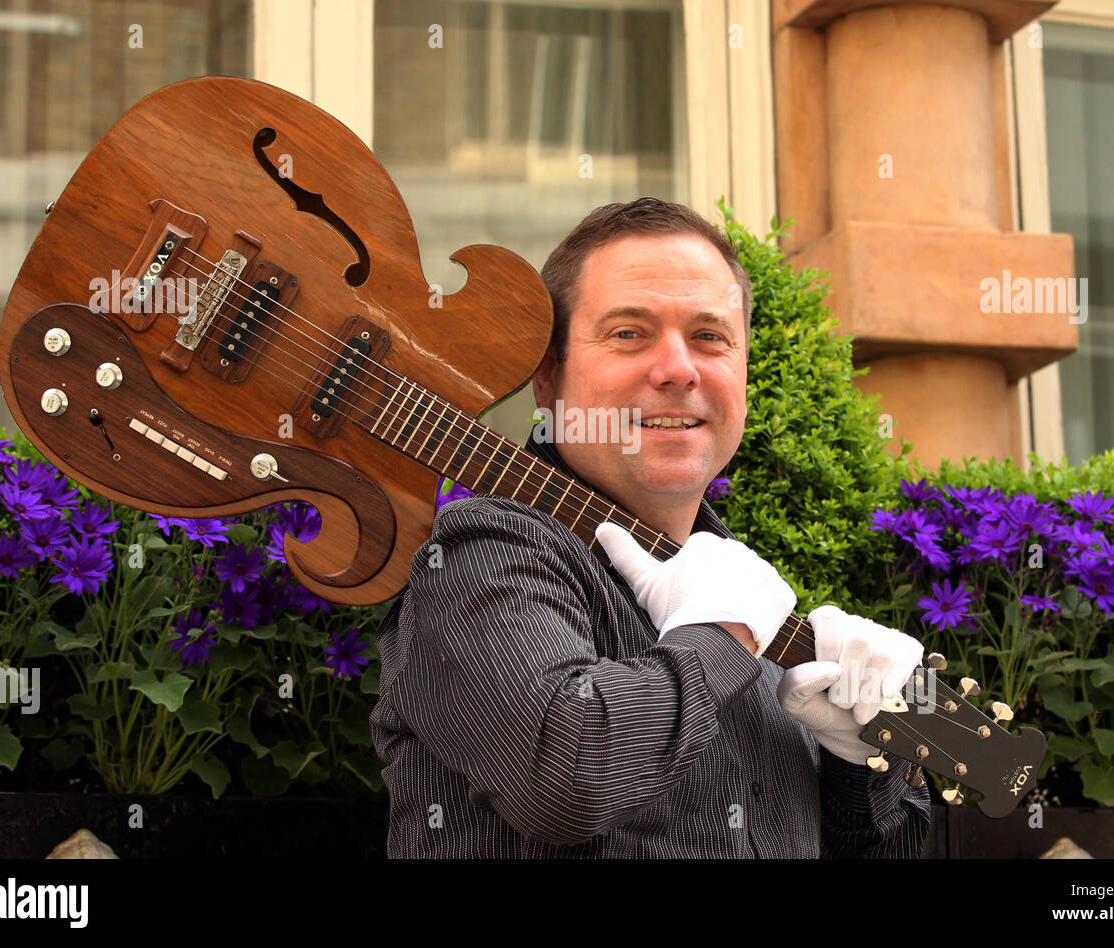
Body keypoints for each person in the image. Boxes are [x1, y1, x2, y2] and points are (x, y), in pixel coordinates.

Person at [370, 198, 930, 857]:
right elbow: (566, 778)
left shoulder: (744, 593)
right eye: (629, 333)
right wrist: (722, 636)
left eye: (710, 337)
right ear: (549, 382)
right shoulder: (481, 558)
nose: (679, 369)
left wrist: (857, 762)